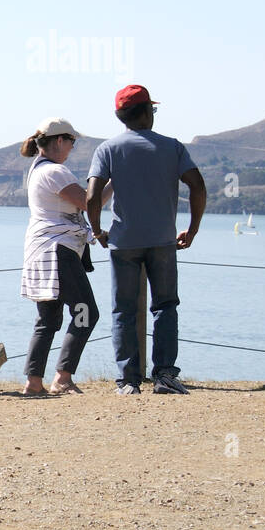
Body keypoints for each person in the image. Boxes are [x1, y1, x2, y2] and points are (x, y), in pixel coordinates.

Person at [86, 85, 207, 396]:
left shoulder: (108, 149)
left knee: (123, 310)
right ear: (144, 112)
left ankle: (128, 381)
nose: (153, 114)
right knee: (165, 306)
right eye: (151, 109)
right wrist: (192, 229)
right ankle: (165, 375)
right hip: (163, 242)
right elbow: (198, 186)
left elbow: (92, 195)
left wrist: (97, 230)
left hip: (123, 242)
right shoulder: (172, 147)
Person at [19, 117, 105, 396]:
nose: (72, 147)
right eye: (71, 141)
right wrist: (114, 180)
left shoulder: (37, 170)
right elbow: (90, 202)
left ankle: (33, 382)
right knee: (86, 312)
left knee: (48, 320)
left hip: (40, 250)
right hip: (59, 250)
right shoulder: (55, 171)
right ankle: (63, 378)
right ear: (59, 140)